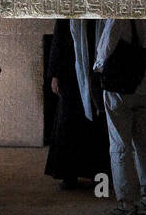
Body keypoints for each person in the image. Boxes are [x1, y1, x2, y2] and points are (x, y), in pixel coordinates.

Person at [93, 18, 146, 215]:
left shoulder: (119, 13)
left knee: (120, 146)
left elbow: (106, 48)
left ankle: (126, 205)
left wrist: (99, 69)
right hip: (145, 87)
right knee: (145, 145)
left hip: (119, 88)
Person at [44, 19, 109, 188]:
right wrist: (55, 75)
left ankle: (100, 176)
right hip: (71, 74)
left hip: (97, 73)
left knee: (98, 123)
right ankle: (69, 175)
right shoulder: (68, 10)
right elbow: (59, 40)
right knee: (69, 123)